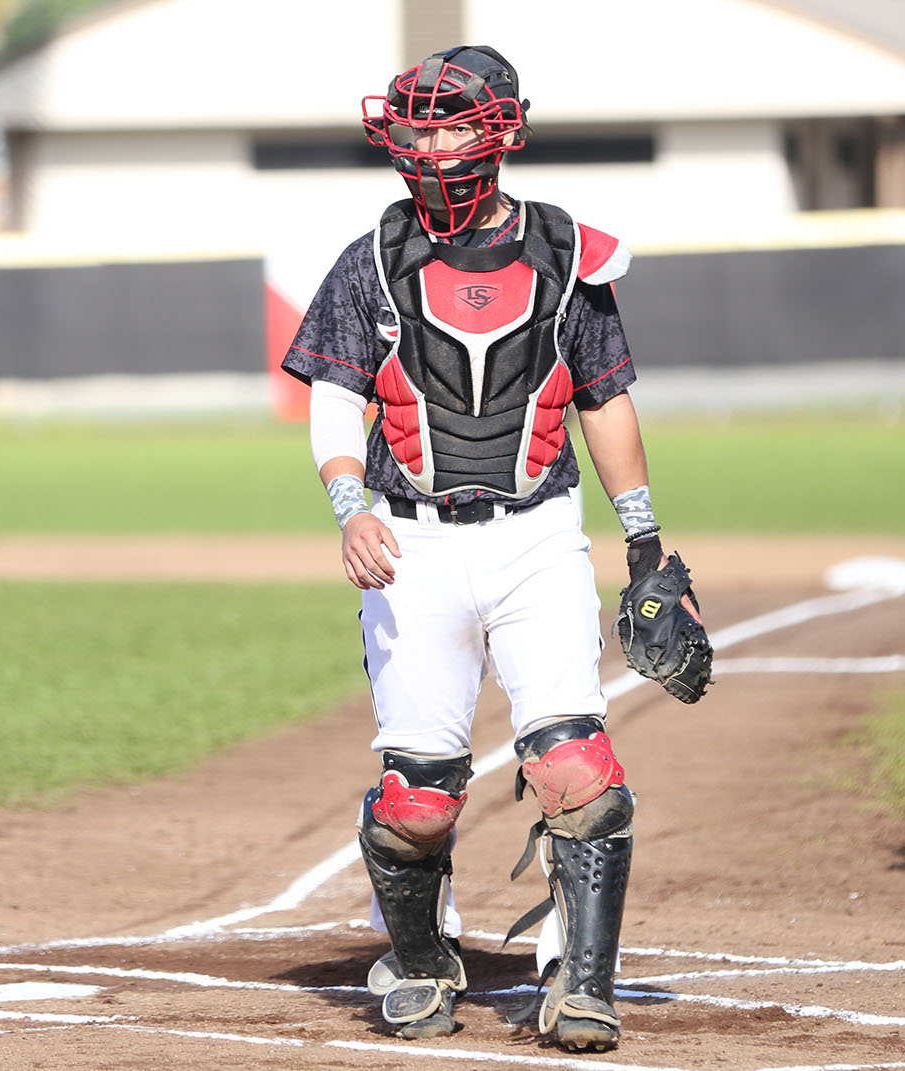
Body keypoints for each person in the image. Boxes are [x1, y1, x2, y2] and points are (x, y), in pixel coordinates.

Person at [279, 45, 701, 1050]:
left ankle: (581, 982)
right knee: (418, 798)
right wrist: (349, 506)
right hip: (410, 544)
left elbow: (604, 399)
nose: (427, 145)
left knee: (576, 768)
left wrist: (645, 542)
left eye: (449, 125)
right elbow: (335, 397)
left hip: (537, 538)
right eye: (415, 127)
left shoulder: (567, 252)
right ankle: (422, 961)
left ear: (498, 131)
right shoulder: (372, 257)